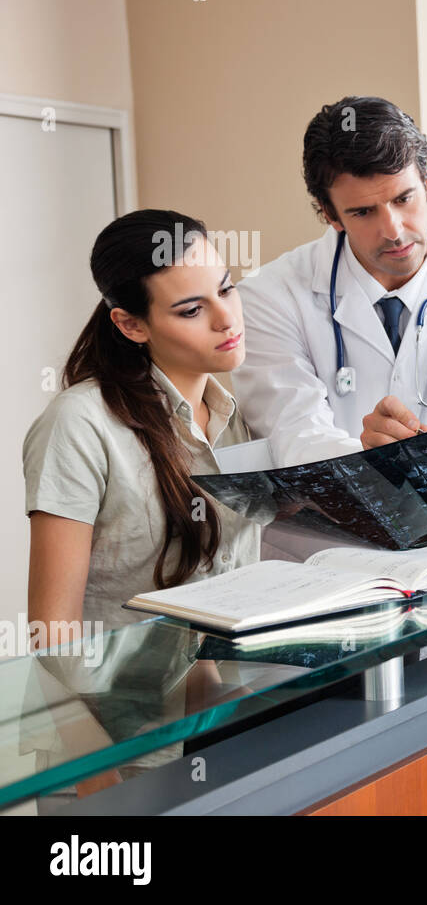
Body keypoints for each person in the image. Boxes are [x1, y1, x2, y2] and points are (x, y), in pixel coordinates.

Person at [22, 209, 262, 802]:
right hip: (107, 749)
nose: (226, 318)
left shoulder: (241, 418)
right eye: (190, 309)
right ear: (130, 325)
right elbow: (52, 628)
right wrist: (95, 773)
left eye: (226, 288)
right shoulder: (80, 423)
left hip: (214, 734)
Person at [233, 96, 427, 500]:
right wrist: (372, 461)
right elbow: (293, 442)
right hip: (322, 554)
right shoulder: (268, 299)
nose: (393, 230)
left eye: (403, 199)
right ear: (329, 213)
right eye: (363, 212)